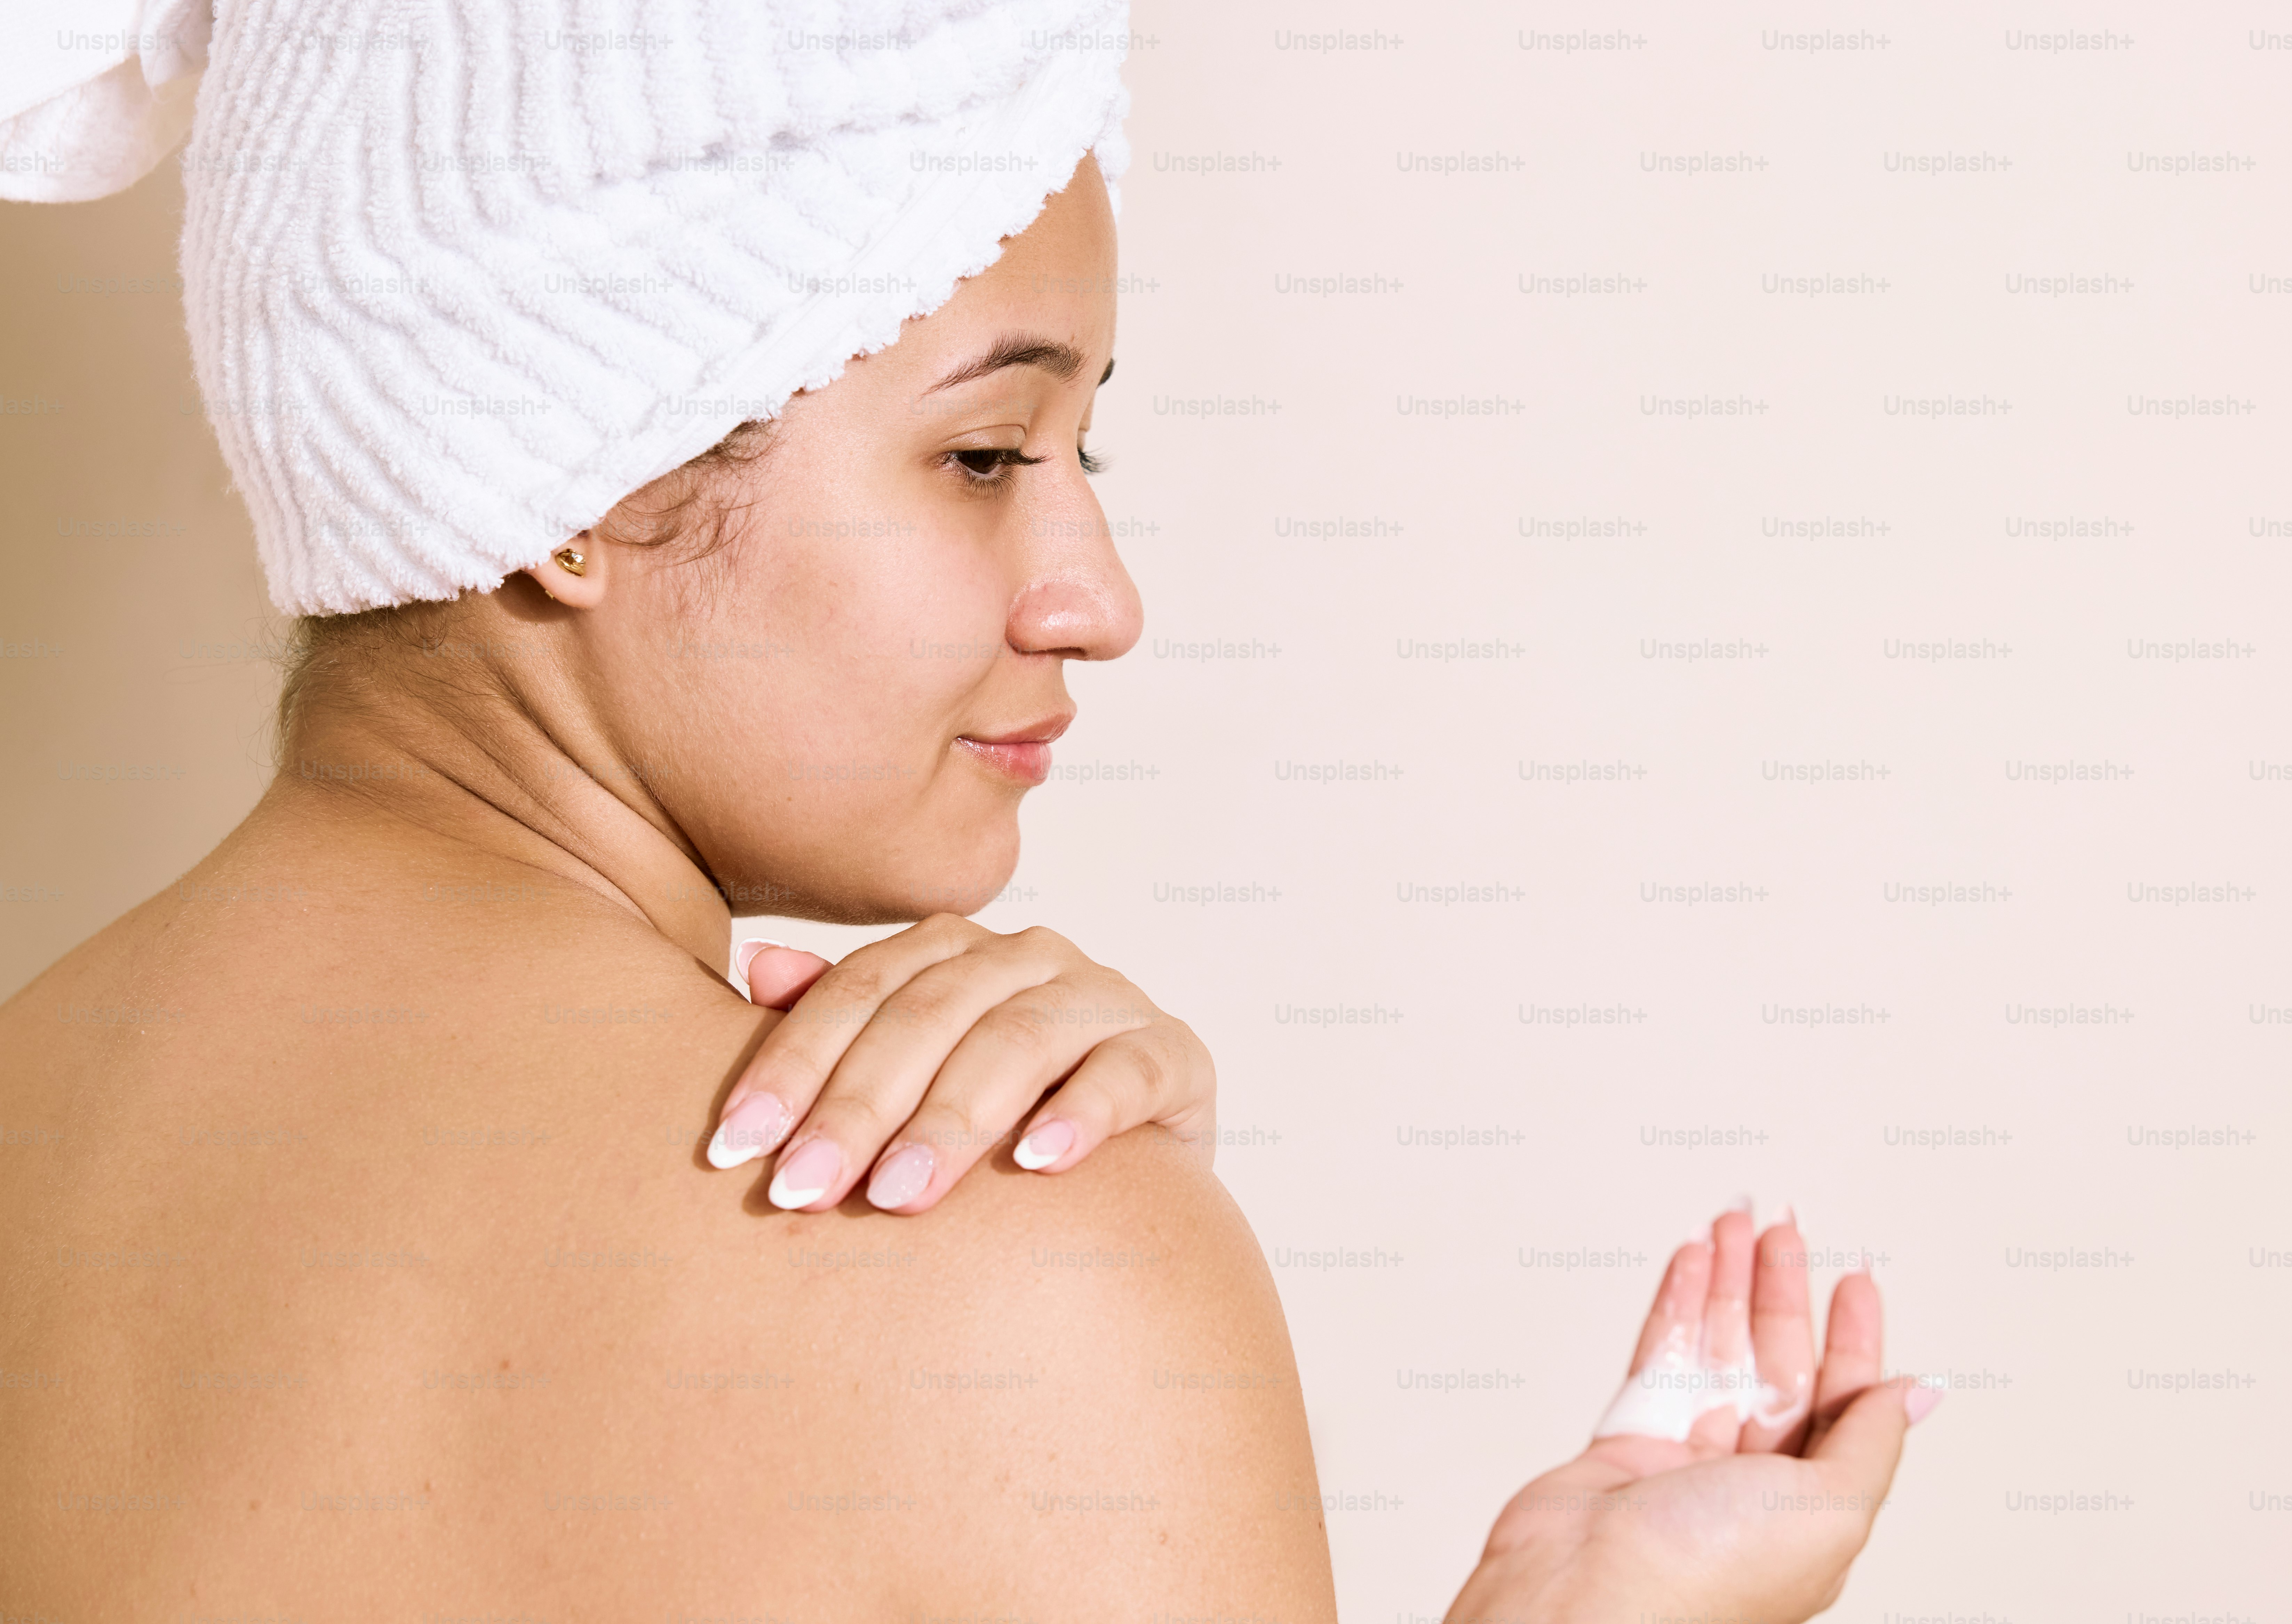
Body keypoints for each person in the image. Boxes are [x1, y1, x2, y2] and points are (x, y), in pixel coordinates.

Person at [0, 6, 1933, 1617]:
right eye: (984, 452)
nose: (1096, 597)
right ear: (564, 466)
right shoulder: (1013, 1268)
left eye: (1078, 449)